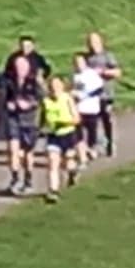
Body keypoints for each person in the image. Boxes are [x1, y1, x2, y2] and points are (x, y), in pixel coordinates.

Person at [0, 51, 43, 195]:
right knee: (13, 149)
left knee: (27, 152)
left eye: (23, 67)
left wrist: (28, 104)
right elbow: (3, 99)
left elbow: (40, 99)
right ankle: (15, 178)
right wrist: (9, 104)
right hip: (13, 118)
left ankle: (28, 179)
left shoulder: (33, 82)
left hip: (28, 120)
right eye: (17, 67)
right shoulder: (9, 82)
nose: (20, 70)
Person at [40, 69, 82, 199]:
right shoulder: (45, 101)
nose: (54, 89)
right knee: (53, 162)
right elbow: (42, 118)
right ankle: (53, 191)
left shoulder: (67, 99)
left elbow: (77, 119)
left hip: (68, 134)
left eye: (57, 86)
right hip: (53, 135)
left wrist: (63, 123)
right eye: (52, 86)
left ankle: (73, 172)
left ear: (62, 87)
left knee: (68, 163)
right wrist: (40, 128)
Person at [83, 31, 123, 156]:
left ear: (101, 42)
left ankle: (110, 143)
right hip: (91, 96)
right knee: (92, 123)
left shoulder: (107, 56)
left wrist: (102, 72)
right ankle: (93, 146)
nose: (93, 45)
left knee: (107, 119)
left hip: (106, 94)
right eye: (90, 42)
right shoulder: (86, 58)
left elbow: (117, 72)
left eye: (95, 42)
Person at [71, 51, 108, 161]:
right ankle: (82, 150)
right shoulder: (75, 75)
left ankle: (92, 148)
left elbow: (100, 89)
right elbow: (77, 89)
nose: (78, 64)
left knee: (92, 131)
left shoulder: (91, 74)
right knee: (78, 131)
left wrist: (86, 95)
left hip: (91, 108)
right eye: (76, 62)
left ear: (85, 62)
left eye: (80, 62)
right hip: (79, 109)